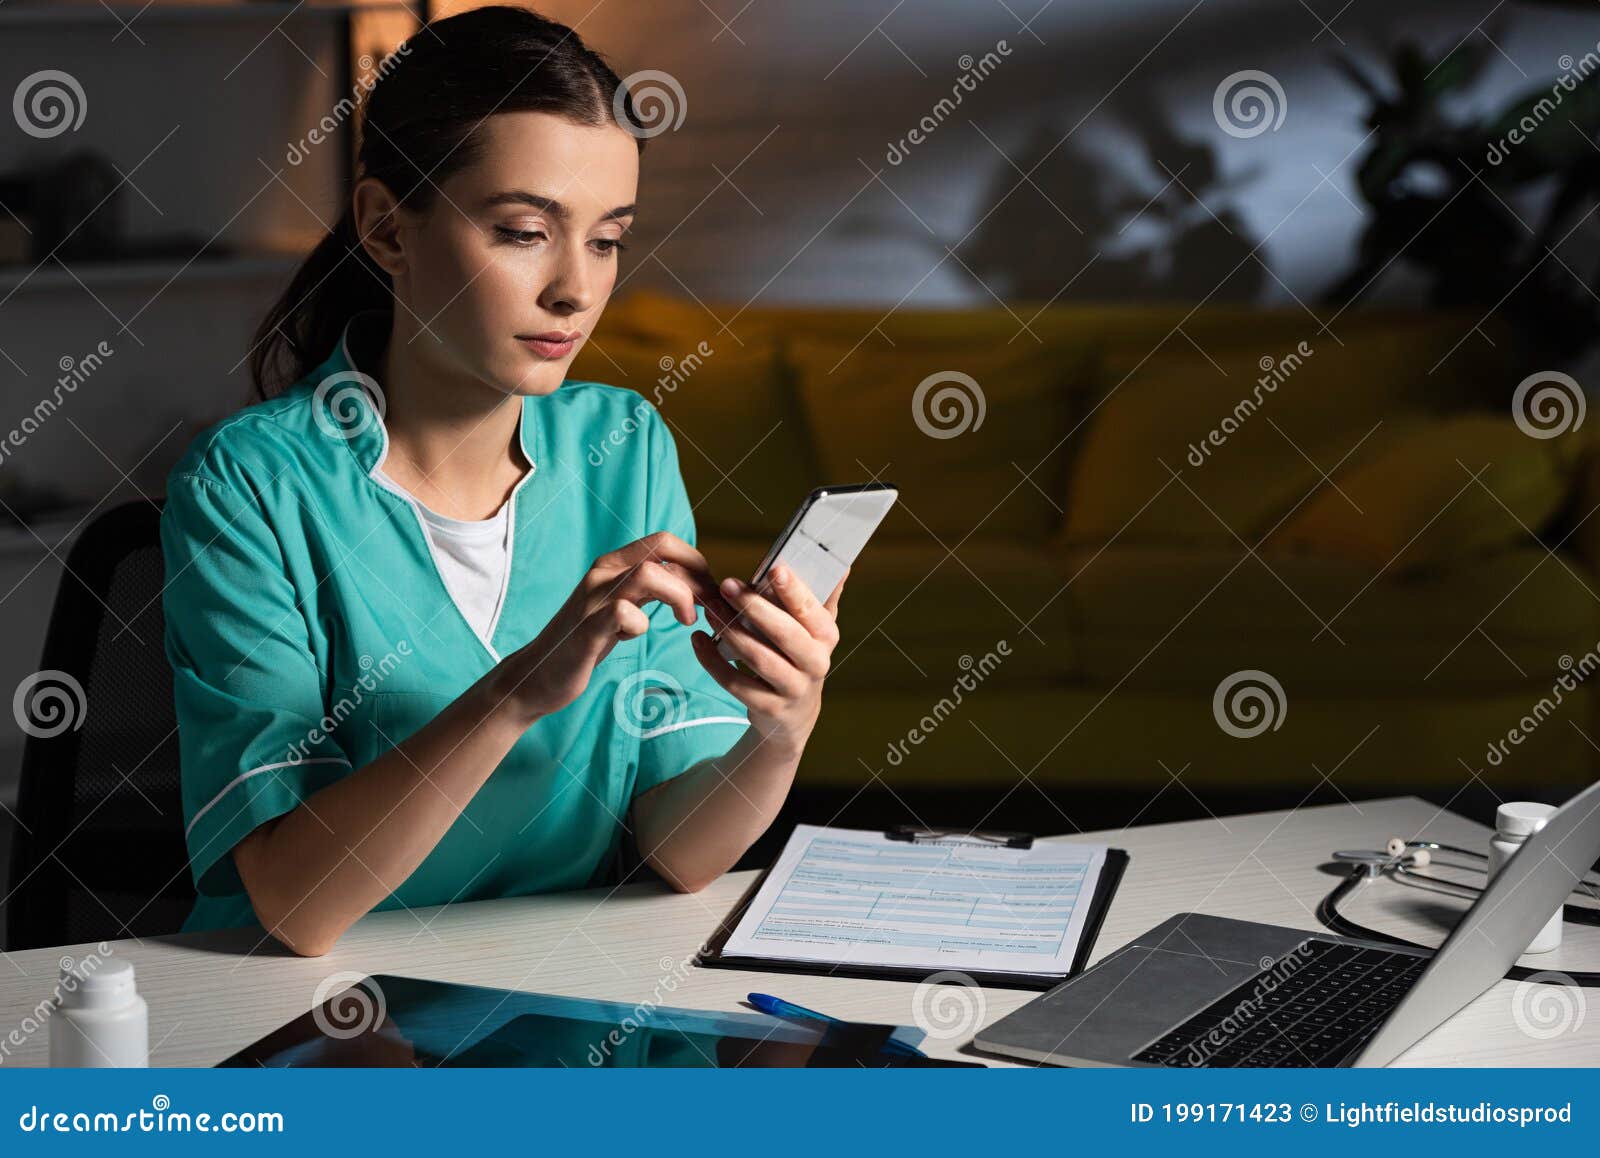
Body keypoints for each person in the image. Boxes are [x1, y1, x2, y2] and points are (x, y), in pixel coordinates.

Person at [160, 5, 845, 956]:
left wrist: (778, 731)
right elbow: (293, 901)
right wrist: (516, 691)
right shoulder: (250, 485)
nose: (575, 287)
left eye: (607, 239)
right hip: (306, 1023)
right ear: (387, 230)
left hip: (565, 1006)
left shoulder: (625, 442)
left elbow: (679, 852)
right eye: (525, 231)